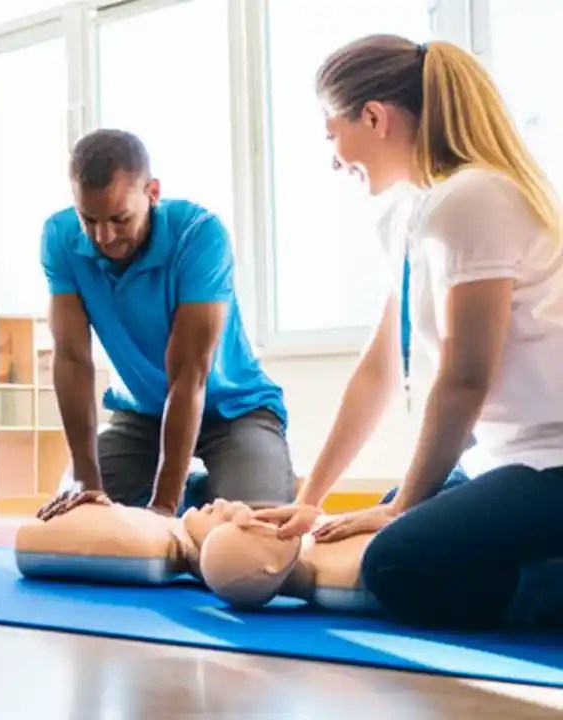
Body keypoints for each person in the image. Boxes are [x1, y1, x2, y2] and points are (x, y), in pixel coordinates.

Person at [254, 35, 563, 630]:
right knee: (362, 534)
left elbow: (465, 378)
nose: (333, 158)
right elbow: (377, 370)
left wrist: (404, 507)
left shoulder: (474, 197)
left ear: (374, 117)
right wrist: (309, 498)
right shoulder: (409, 217)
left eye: (331, 135)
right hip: (506, 462)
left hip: (552, 465)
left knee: (396, 563)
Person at [36, 129, 295, 522]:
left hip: (234, 408)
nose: (103, 237)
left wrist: (164, 508)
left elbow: (189, 373)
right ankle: (195, 490)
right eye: (89, 220)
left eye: (119, 219)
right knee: (76, 520)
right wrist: (86, 481)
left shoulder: (200, 234)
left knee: (249, 532)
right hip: (141, 415)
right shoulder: (59, 236)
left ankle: (205, 488)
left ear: (152, 193)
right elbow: (72, 359)